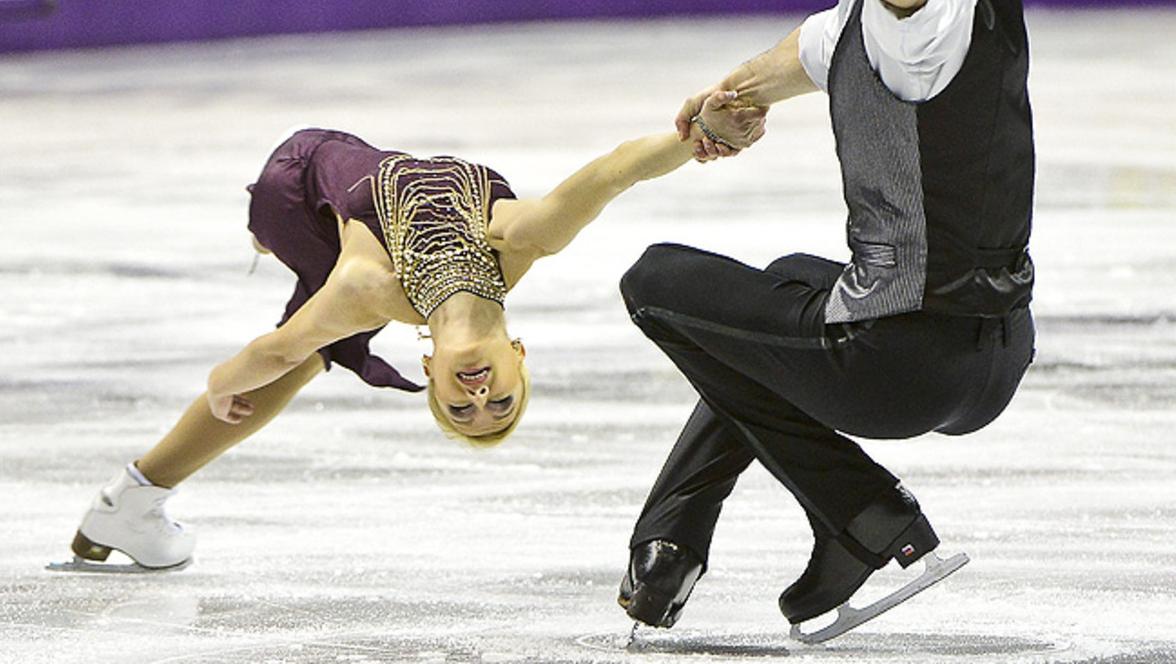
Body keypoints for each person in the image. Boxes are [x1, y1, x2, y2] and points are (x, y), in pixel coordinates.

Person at [616, 0, 1035, 640]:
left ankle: (866, 512)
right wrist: (736, 95)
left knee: (656, 282)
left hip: (899, 361)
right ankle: (671, 543)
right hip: (994, 353)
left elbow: (913, 22)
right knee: (782, 285)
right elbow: (828, 39)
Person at [65, 116, 725, 571]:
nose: (480, 397)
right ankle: (129, 502)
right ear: (518, 357)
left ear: (430, 367)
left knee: (303, 354)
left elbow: (276, 349)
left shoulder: (371, 290)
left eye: (463, 409)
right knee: (307, 351)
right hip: (309, 168)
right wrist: (701, 136)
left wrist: (222, 380)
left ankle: (128, 502)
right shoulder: (522, 240)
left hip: (302, 196)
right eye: (501, 402)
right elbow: (615, 171)